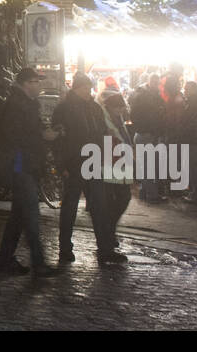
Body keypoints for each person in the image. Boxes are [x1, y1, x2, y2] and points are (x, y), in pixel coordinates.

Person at [0, 68, 58, 278]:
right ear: (25, 84)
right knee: (30, 214)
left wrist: (45, 134)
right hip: (20, 164)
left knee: (18, 216)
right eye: (34, 81)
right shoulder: (16, 105)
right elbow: (15, 137)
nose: (39, 85)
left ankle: (4, 262)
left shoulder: (27, 104)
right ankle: (38, 263)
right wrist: (41, 136)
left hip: (25, 164)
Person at [55, 72, 110, 263]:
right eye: (85, 88)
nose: (88, 91)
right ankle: (65, 248)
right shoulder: (65, 109)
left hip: (92, 161)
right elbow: (59, 140)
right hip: (74, 162)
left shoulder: (94, 108)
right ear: (76, 89)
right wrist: (62, 165)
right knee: (70, 206)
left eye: (89, 87)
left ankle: (105, 247)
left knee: (99, 205)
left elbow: (102, 132)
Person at [95, 91, 133, 264]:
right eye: (118, 108)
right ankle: (108, 236)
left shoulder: (115, 119)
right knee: (118, 199)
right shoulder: (104, 119)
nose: (120, 111)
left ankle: (109, 233)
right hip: (110, 162)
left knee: (121, 198)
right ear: (110, 106)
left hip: (119, 161)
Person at [128, 72, 166, 202]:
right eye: (155, 83)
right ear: (150, 82)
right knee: (148, 166)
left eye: (158, 83)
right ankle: (151, 195)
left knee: (146, 165)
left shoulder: (144, 94)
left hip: (144, 133)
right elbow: (139, 115)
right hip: (145, 133)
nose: (157, 85)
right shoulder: (145, 96)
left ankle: (145, 192)